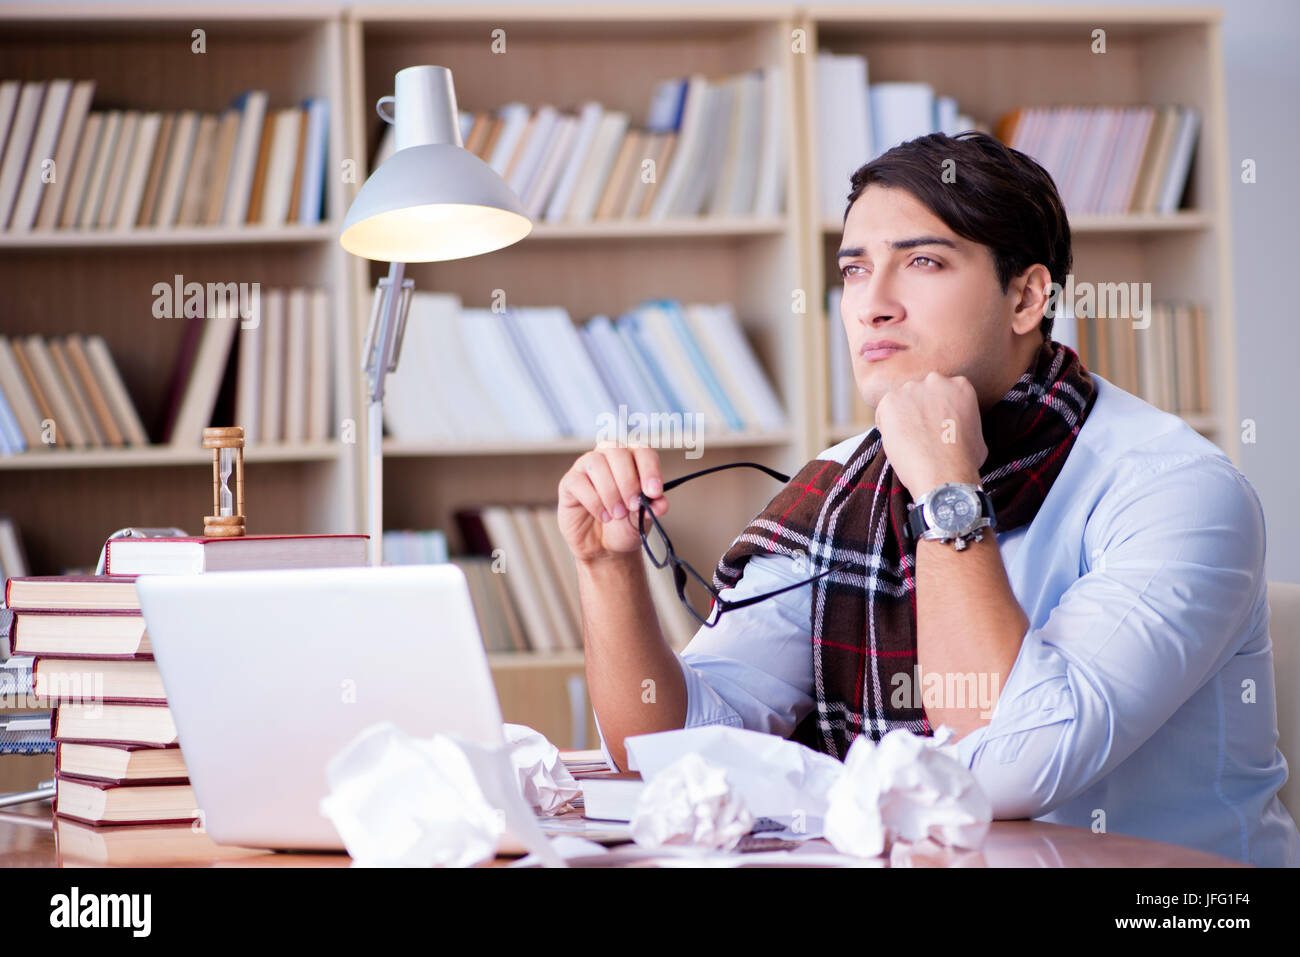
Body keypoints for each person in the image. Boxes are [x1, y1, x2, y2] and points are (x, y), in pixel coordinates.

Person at [556, 131, 1299, 867]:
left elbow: (1005, 760)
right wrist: (607, 570)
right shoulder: (844, 487)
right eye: (853, 270)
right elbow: (672, 750)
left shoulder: (1177, 488)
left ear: (1027, 296)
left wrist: (944, 487)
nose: (871, 305)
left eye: (921, 261)